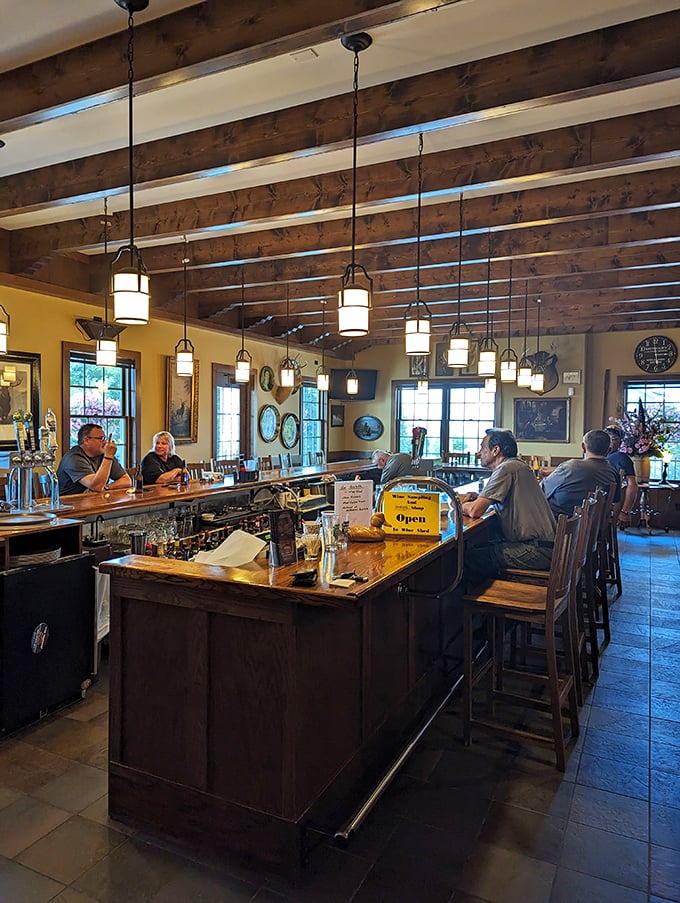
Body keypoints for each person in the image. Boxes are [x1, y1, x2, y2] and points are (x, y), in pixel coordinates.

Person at [461, 428, 556, 581]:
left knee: (469, 558)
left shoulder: (506, 468)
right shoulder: (519, 465)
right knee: (481, 548)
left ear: (495, 450)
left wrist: (459, 503)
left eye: (482, 448)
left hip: (536, 550)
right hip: (546, 546)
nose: (479, 453)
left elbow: (474, 511)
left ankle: (480, 603)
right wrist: (479, 499)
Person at [542, 429, 620, 518]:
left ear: (583, 446)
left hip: (561, 523)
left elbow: (542, 491)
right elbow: (617, 501)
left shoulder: (570, 467)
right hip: (595, 524)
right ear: (609, 450)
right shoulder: (613, 471)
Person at [57, 423, 131, 496]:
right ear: (86, 441)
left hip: (92, 501)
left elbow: (127, 481)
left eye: (105, 438)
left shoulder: (104, 454)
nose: (105, 442)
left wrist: (106, 487)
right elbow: (96, 486)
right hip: (68, 504)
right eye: (101, 439)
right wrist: (108, 456)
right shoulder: (73, 458)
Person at [605, 425, 638, 528]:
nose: (610, 442)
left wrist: (625, 511)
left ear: (620, 443)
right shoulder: (597, 456)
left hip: (606, 505)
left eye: (613, 439)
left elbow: (632, 484)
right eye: (607, 438)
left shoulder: (622, 458)